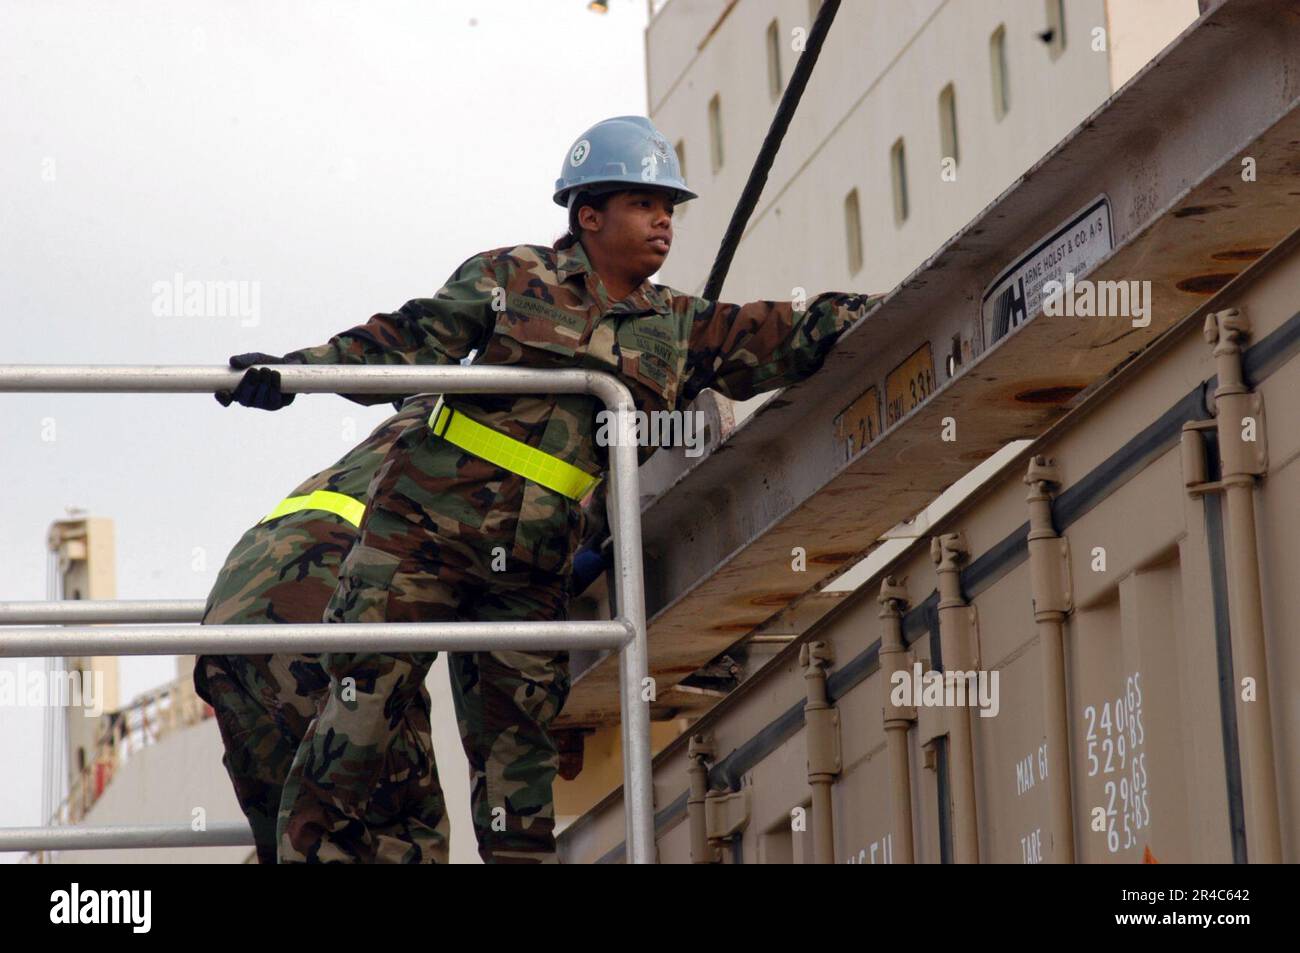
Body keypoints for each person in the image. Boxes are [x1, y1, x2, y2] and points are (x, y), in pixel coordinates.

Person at [217, 114, 883, 863]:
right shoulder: (511, 278)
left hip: (529, 568)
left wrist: (872, 310)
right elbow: (410, 337)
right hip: (425, 531)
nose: (664, 220)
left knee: (517, 756)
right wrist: (297, 372)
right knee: (362, 704)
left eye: (670, 206)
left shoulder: (674, 326)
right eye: (643, 203)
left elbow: (778, 333)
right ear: (589, 214)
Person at [197, 394, 609, 863]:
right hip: (332, 601)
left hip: (232, 615)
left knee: (300, 839)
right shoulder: (537, 460)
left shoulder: (443, 412)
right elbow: (498, 706)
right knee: (397, 837)